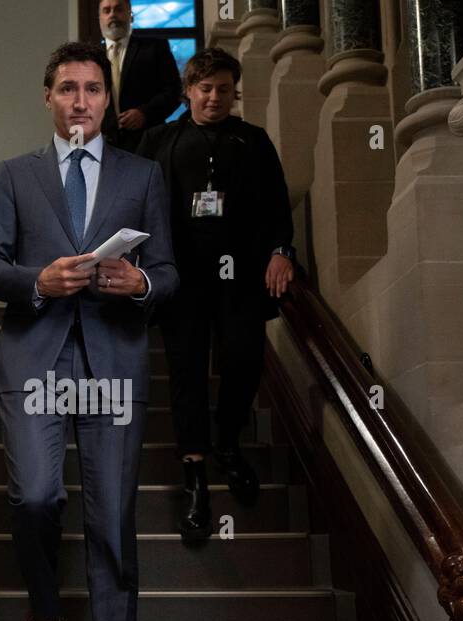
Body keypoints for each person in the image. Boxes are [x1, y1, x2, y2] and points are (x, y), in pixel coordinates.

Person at [0, 42, 178, 621]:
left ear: (103, 97)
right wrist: (39, 280)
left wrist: (141, 284)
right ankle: (42, 610)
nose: (82, 99)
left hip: (115, 361)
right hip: (35, 356)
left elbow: (171, 272)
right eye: (67, 88)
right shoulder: (14, 175)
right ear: (48, 97)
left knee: (114, 523)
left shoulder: (143, 173)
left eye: (93, 88)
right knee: (35, 495)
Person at [136, 47, 296, 545]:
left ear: (233, 92)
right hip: (180, 278)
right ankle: (196, 478)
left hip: (241, 276)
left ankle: (228, 442)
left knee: (245, 357)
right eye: (205, 89)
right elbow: (134, 207)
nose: (214, 97)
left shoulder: (253, 140)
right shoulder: (158, 140)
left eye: (224, 89)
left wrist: (281, 251)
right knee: (185, 374)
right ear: (188, 90)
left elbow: (276, 203)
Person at [97, 0, 183, 151]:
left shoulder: (155, 48)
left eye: (118, 9)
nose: (112, 15)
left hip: (148, 143)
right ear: (100, 19)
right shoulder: (90, 56)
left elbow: (174, 91)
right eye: (106, 11)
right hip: (103, 146)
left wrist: (145, 113)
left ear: (131, 16)